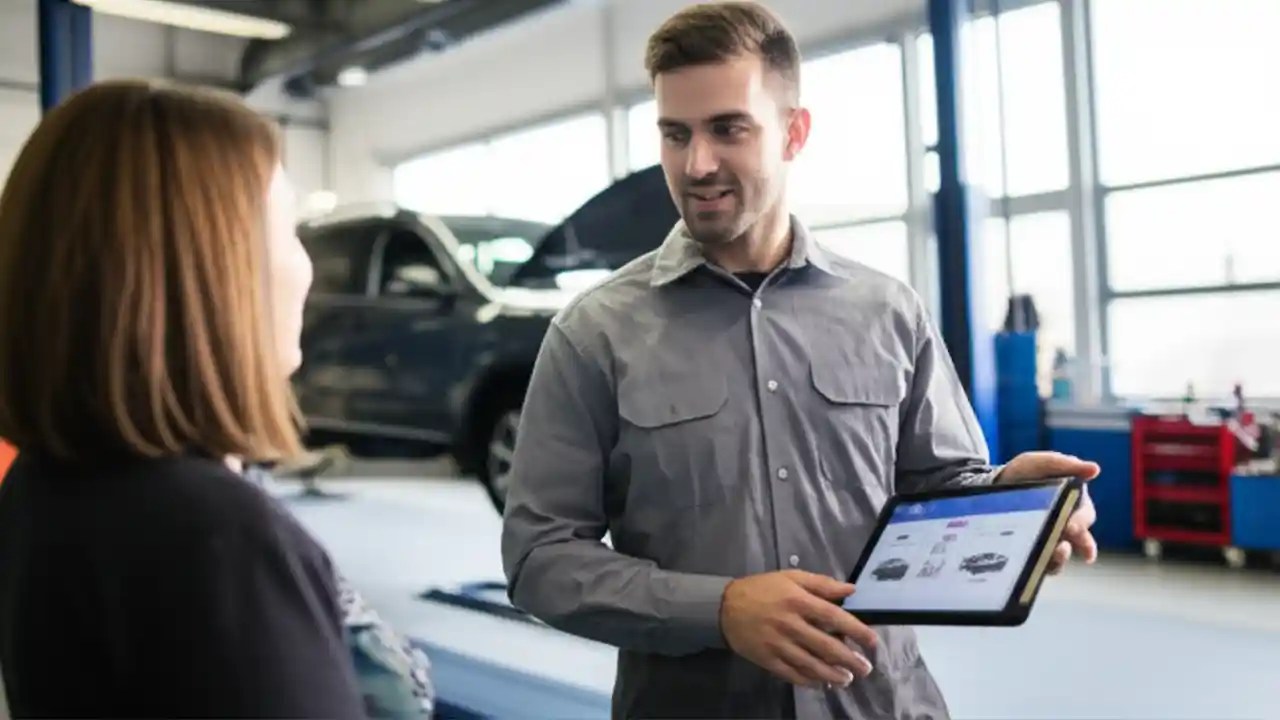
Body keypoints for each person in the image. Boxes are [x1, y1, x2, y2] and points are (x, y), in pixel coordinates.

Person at [500, 3, 1101, 719]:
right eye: (675, 133)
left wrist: (1008, 499)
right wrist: (718, 609)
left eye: (729, 129)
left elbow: (936, 487)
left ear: (794, 132)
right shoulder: (594, 333)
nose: (697, 164)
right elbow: (541, 561)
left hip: (882, 703)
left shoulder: (887, 312)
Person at [0, 80, 367, 718]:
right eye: (289, 231)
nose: (307, 269)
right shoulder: (218, 542)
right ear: (208, 269)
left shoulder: (41, 484)